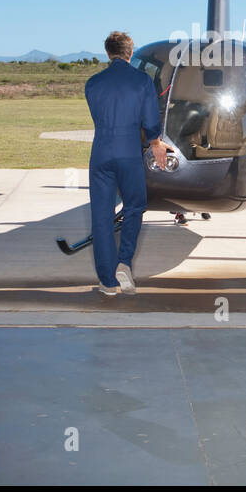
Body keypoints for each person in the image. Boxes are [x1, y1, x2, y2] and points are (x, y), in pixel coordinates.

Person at [84, 31, 168, 296]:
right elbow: (150, 119)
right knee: (135, 205)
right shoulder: (142, 81)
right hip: (129, 153)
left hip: (100, 153)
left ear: (108, 53)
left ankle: (107, 282)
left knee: (101, 216)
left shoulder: (93, 83)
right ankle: (124, 261)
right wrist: (155, 144)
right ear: (130, 53)